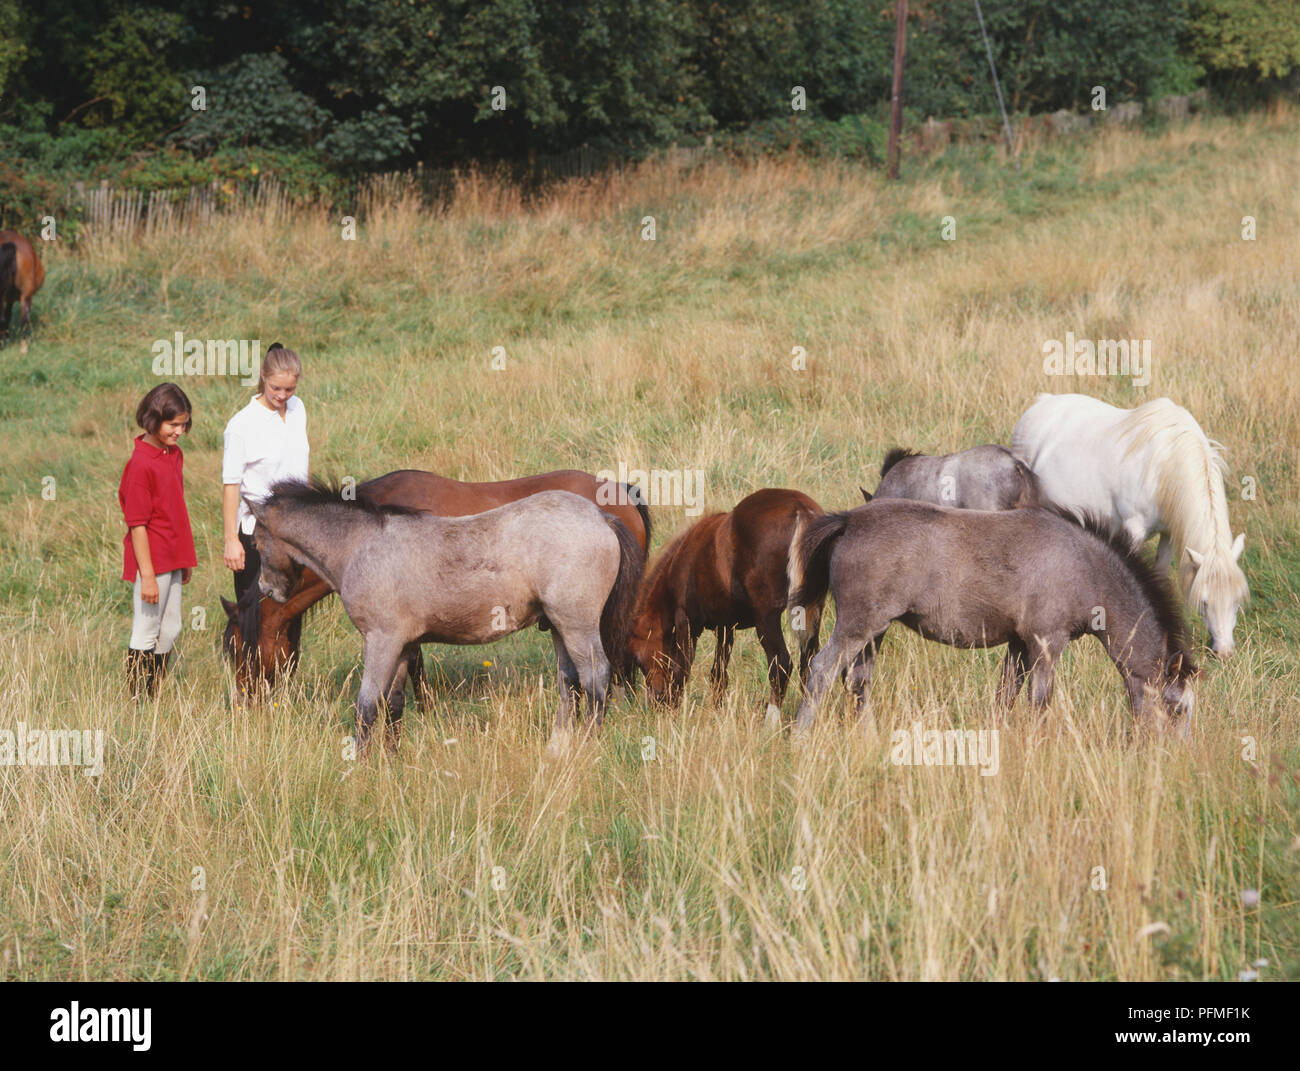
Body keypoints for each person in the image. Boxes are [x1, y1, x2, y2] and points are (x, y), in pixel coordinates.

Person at [120, 382, 196, 699]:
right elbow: (138, 524)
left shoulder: (173, 455)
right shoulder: (140, 464)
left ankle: (155, 694)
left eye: (182, 424)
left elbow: (175, 509)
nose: (179, 431)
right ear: (153, 420)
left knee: (171, 628)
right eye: (172, 424)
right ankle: (139, 700)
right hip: (152, 562)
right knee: (147, 629)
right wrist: (148, 575)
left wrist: (184, 559)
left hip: (173, 557)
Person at [222, 343, 309, 601]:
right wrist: (231, 541)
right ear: (263, 375)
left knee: (290, 610)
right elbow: (231, 486)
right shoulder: (241, 425)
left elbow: (301, 464)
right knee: (255, 613)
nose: (282, 395)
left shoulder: (298, 409)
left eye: (290, 389)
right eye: (276, 388)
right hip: (258, 533)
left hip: (295, 528)